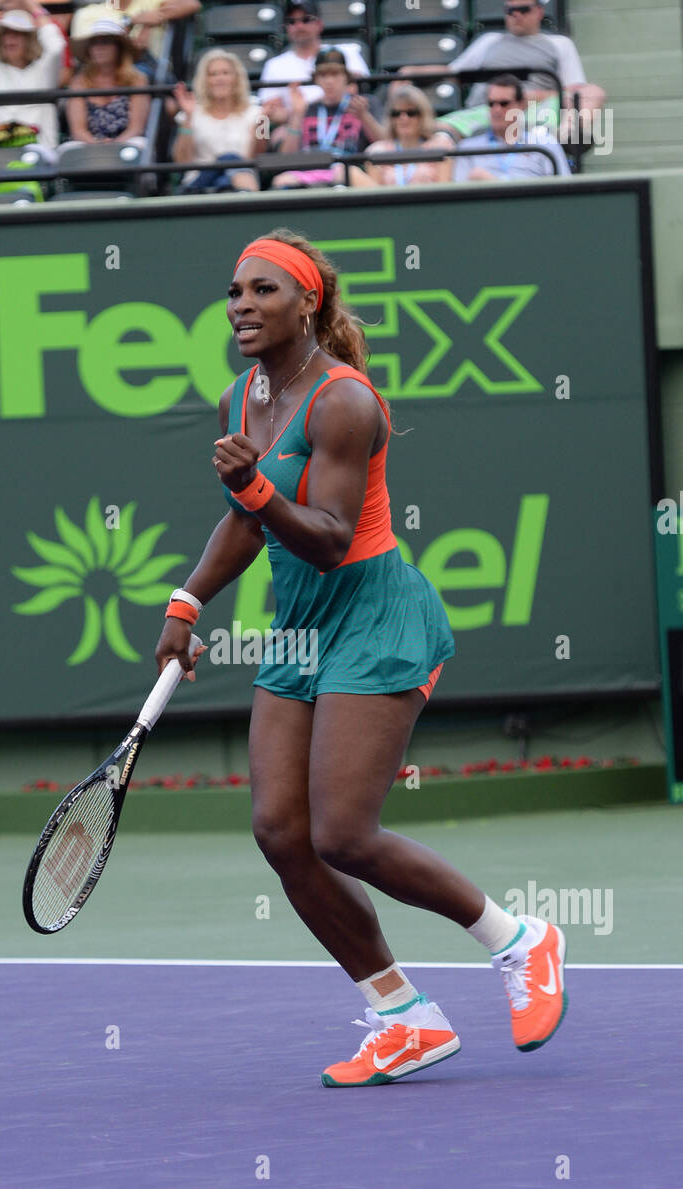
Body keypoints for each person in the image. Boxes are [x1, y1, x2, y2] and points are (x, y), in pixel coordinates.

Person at [154, 230, 568, 1087]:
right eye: (234, 291)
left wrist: (254, 488)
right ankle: (400, 1013)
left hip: (375, 616)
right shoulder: (241, 399)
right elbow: (248, 523)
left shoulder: (345, 402)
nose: (241, 305)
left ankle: (518, 940)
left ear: (307, 303)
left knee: (343, 832)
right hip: (301, 627)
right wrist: (186, 603)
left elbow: (330, 540)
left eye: (262, 290)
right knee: (281, 832)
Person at [401, 0, 604, 141]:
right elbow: (451, 73)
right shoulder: (488, 42)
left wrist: (534, 97)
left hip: (536, 112)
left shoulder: (559, 44)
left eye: (523, 9)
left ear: (539, 12)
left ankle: (568, 138)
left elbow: (573, 89)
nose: (515, 15)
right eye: (510, 10)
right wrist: (410, 71)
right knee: (439, 134)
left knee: (593, 92)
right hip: (486, 111)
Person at [0, 0, 68, 150]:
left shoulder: (43, 71)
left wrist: (34, 7)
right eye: (5, 33)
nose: (10, 39)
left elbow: (56, 47)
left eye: (18, 34)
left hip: (38, 150)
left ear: (30, 40)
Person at [271, 48, 382, 188]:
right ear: (316, 79)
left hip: (348, 168)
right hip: (310, 169)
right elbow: (287, 157)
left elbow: (384, 145)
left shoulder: (364, 103)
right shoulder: (307, 109)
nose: (329, 81)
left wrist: (364, 117)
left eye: (335, 74)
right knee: (280, 181)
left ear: (346, 77)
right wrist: (297, 114)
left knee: (347, 172)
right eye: (323, 75)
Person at [257, 0, 370, 134]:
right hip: (297, 125)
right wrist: (299, 113)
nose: (299, 26)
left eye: (306, 19)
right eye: (292, 22)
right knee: (278, 134)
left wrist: (306, 107)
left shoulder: (346, 53)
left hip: (344, 121)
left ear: (319, 24)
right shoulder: (274, 65)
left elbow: (355, 92)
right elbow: (271, 112)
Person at [172, 48, 267, 192]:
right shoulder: (191, 112)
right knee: (230, 160)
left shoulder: (257, 111)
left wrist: (262, 123)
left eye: (225, 73)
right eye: (213, 74)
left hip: (239, 183)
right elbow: (182, 162)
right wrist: (188, 117)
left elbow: (259, 156)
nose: (219, 79)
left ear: (236, 78)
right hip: (201, 184)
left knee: (232, 164)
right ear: (205, 80)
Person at [451, 74, 570, 180]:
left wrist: (492, 182)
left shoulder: (545, 143)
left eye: (504, 104)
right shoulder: (467, 148)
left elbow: (564, 191)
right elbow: (460, 197)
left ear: (521, 105)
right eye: (491, 104)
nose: (496, 110)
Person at [60, 18, 149, 154]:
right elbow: (78, 130)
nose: (99, 48)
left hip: (127, 142)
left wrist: (115, 145)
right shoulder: (79, 82)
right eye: (94, 43)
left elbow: (136, 127)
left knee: (141, 146)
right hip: (88, 143)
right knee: (67, 150)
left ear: (119, 48)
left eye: (105, 42)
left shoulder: (137, 80)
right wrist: (98, 145)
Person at [72, 0, 200, 74]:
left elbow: (193, 4)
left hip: (150, 75)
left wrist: (153, 20)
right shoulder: (86, 14)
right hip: (103, 76)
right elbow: (88, 55)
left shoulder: (151, 2)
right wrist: (133, 21)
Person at [361, 83, 454, 187]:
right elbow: (375, 196)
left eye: (411, 113)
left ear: (423, 115)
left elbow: (444, 188)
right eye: (396, 113)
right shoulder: (377, 151)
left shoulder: (440, 146)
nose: (403, 118)